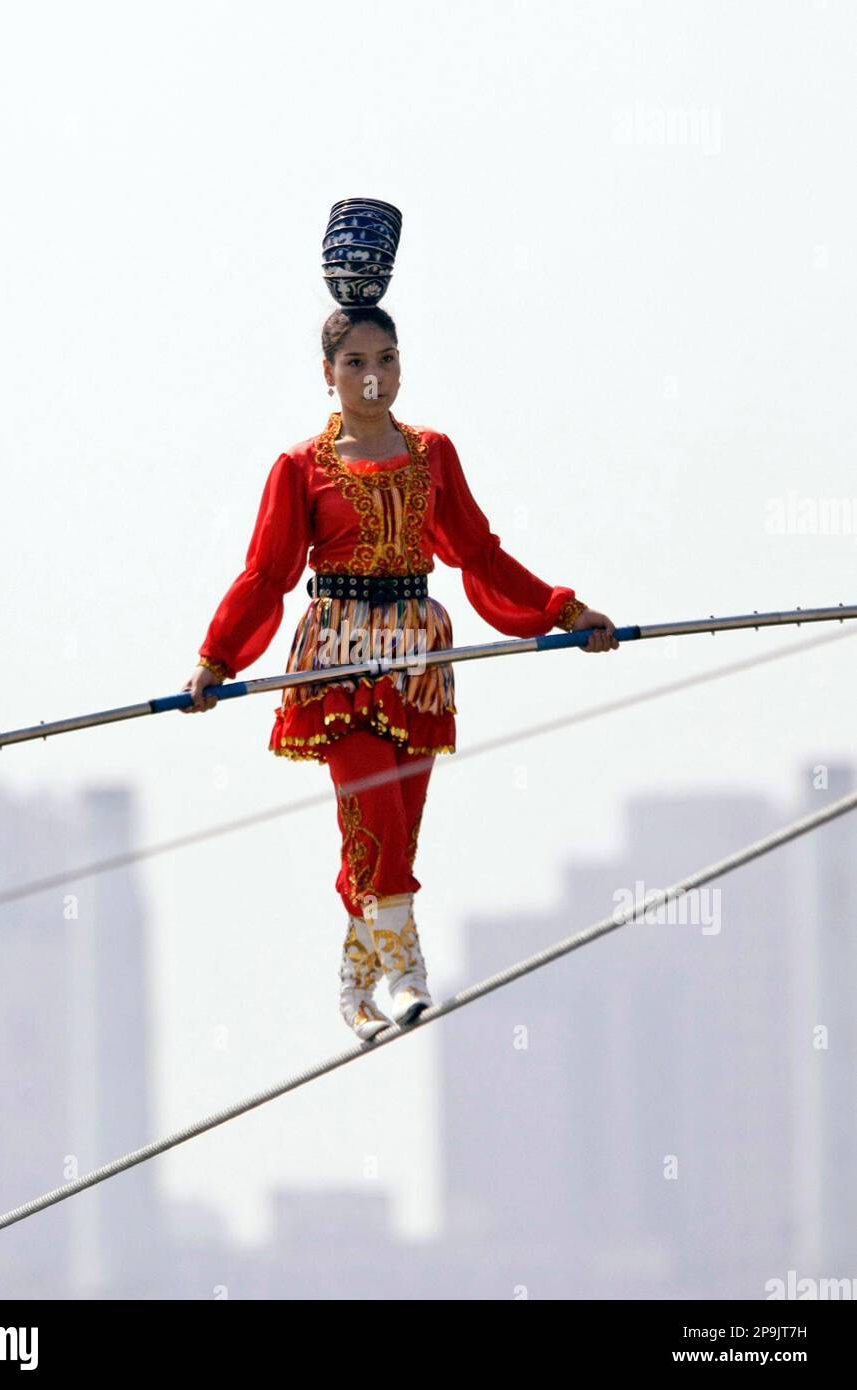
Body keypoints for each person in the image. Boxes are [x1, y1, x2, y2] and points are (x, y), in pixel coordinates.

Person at [182, 305, 619, 1042]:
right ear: (328, 375)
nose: (373, 376)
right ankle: (408, 974)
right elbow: (267, 573)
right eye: (355, 363)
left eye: (386, 358)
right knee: (374, 814)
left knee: (395, 834)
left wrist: (563, 611)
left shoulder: (433, 454)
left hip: (417, 656)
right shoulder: (300, 467)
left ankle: (355, 988)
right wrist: (216, 657)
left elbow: (478, 553)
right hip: (339, 661)